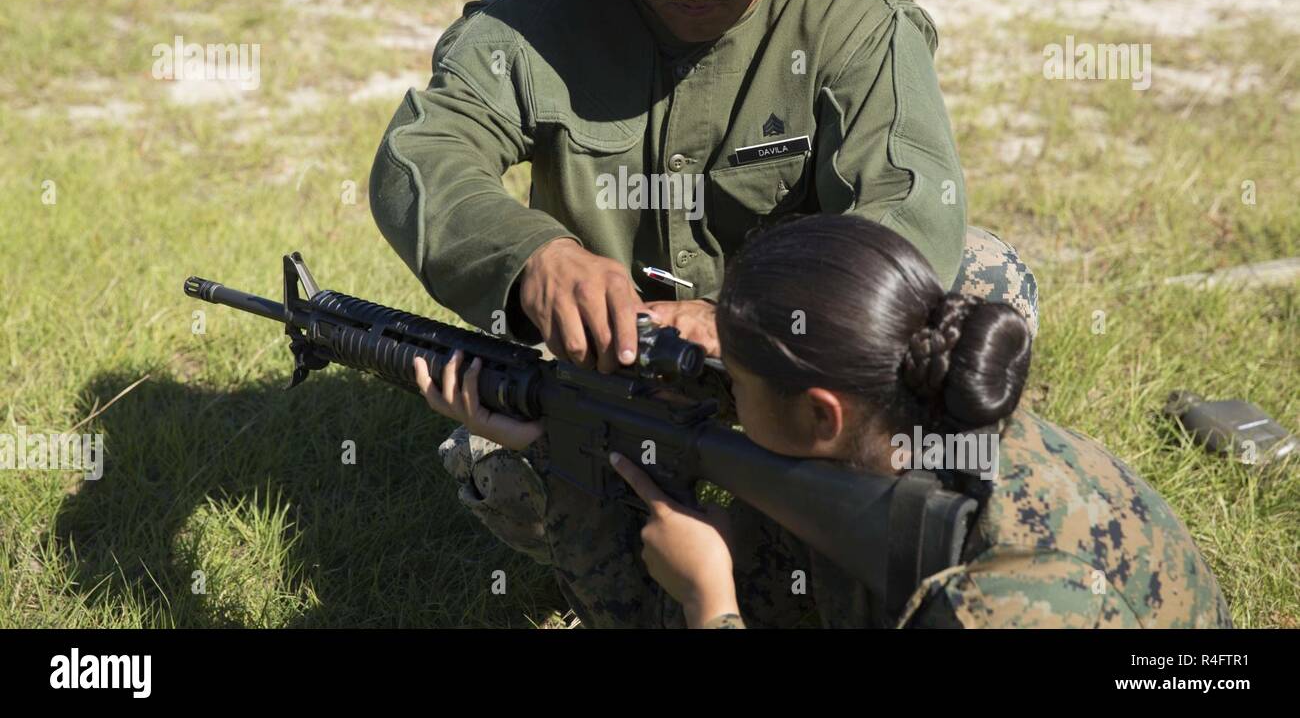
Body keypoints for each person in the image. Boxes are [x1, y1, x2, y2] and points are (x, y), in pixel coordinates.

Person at [371, 0, 1034, 571]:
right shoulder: (535, 16)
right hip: (619, 366)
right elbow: (423, 154)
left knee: (987, 276)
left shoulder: (853, 20)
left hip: (798, 364)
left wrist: (757, 322)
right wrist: (531, 258)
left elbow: (910, 204)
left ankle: (836, 517)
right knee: (503, 473)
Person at [416, 215, 1233, 628]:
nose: (710, 389)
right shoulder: (908, 436)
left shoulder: (1005, 600)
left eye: (730, 378)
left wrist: (712, 602)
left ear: (820, 413)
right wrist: (570, 450)